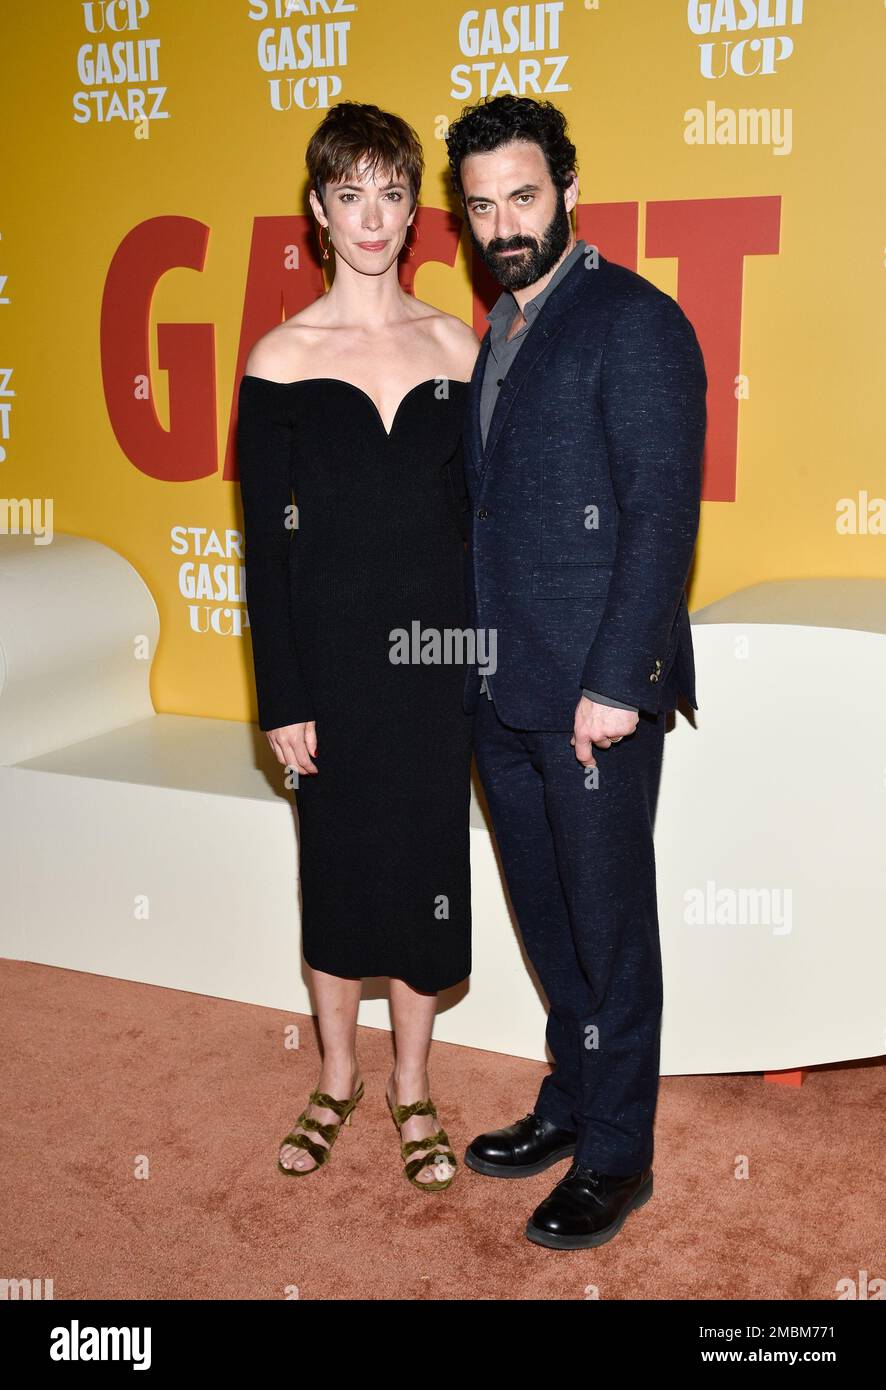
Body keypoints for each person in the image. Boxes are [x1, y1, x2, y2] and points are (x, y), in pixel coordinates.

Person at [445, 95, 708, 1247]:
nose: (505, 223)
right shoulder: (495, 332)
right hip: (502, 690)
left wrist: (617, 682)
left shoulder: (634, 320)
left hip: (593, 698)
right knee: (547, 921)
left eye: (524, 196)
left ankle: (617, 1152)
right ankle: (570, 1098)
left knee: (608, 929)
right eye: (482, 204)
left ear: (567, 190)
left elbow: (659, 518)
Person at [237, 102, 480, 1190]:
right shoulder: (281, 358)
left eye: (392, 191)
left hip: (433, 668)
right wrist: (282, 697)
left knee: (427, 871)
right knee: (335, 873)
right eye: (351, 193)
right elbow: (263, 554)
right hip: (329, 672)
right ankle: (335, 1075)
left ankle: (412, 1084)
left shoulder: (457, 347)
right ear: (318, 211)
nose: (372, 214)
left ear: (413, 209)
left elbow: (484, 528)